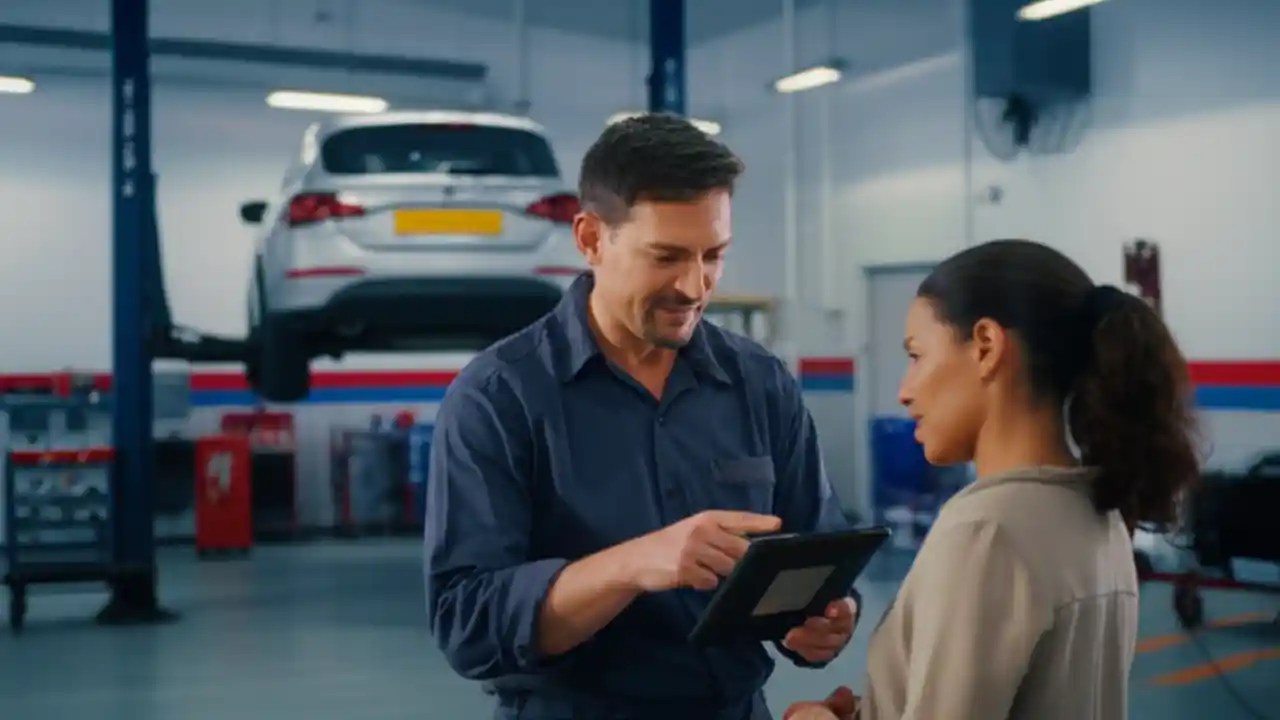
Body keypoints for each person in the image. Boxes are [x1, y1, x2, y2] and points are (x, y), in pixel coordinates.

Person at [424, 114, 860, 719]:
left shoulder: (759, 384)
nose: (694, 285)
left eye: (714, 255)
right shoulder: (498, 398)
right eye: (666, 256)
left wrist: (828, 620)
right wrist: (631, 565)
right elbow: (468, 624)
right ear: (590, 238)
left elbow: (819, 547)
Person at [785, 239, 1201, 720]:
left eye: (916, 356)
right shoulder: (1100, 512)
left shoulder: (986, 532)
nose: (904, 391)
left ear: (985, 346)